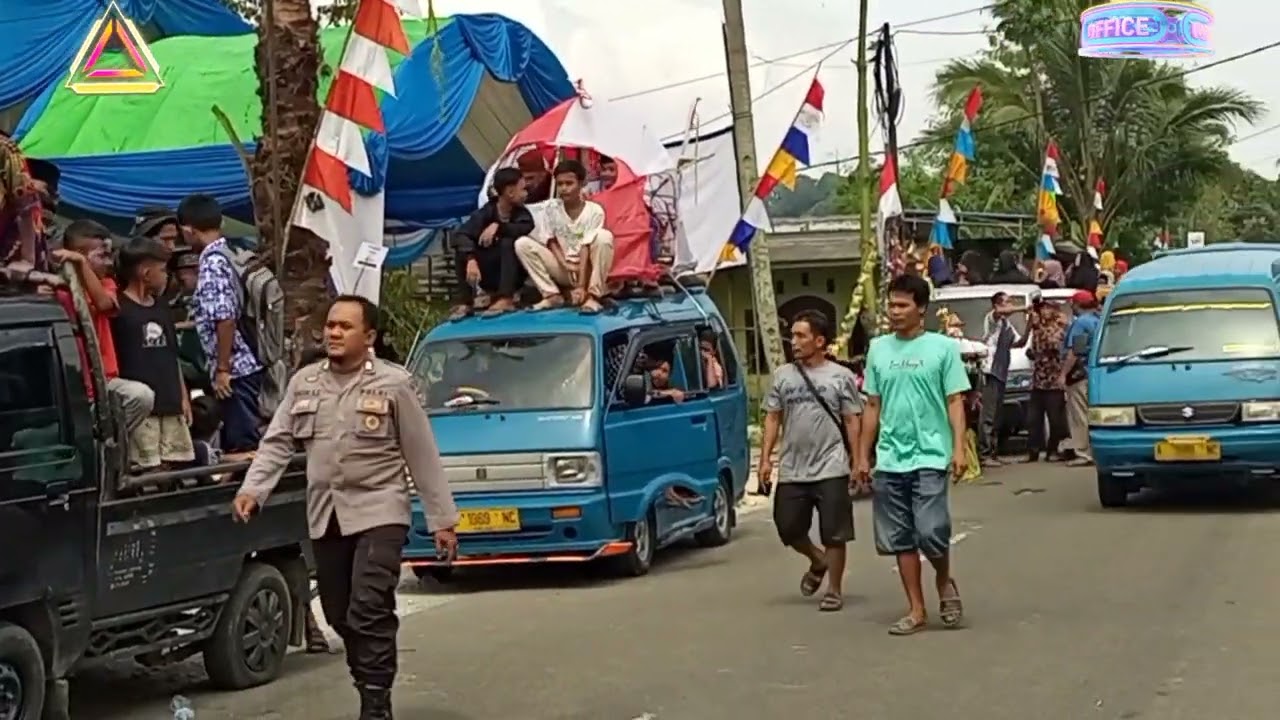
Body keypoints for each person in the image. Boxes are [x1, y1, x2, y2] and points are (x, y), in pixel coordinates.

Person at [231, 295, 459, 720]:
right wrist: (253, 490)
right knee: (339, 613)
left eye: (345, 327)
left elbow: (422, 454)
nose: (334, 333)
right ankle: (368, 676)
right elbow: (277, 442)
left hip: (381, 510)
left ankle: (375, 704)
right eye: (331, 325)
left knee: (369, 605)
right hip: (327, 514)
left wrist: (442, 521)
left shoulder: (394, 384)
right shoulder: (305, 382)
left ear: (369, 336)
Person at [856, 274, 968, 635]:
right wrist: (862, 456)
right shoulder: (878, 349)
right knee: (900, 537)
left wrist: (958, 448)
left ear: (921, 309)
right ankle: (916, 609)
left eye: (903, 305)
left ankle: (944, 578)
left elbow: (955, 400)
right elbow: (872, 405)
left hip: (931, 455)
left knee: (931, 530)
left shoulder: (943, 349)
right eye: (891, 305)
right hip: (890, 458)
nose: (895, 311)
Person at [758, 310, 861, 613]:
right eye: (793, 335)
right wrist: (765, 460)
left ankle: (834, 589)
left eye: (801, 336)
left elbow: (852, 419)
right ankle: (817, 560)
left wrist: (858, 461)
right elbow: (773, 417)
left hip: (832, 464)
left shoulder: (840, 376)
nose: (794, 341)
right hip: (793, 467)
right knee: (787, 526)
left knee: (834, 532)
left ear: (819, 341)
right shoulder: (783, 375)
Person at [54, 219, 156, 435]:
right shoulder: (57, 290)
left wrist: (81, 264)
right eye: (101, 256)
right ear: (76, 253)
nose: (109, 263)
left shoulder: (106, 285)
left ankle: (105, 440)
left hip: (105, 382)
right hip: (71, 386)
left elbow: (103, 304)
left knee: (141, 396)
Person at [180, 193, 264, 453]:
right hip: (249, 360)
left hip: (236, 369)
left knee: (244, 443)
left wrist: (223, 369)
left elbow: (225, 319)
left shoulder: (212, 264)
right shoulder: (233, 252)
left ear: (188, 230)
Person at [111, 236, 195, 472]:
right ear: (146, 274)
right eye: (163, 270)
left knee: (172, 464)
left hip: (170, 401)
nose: (167, 276)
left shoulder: (162, 307)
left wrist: (183, 397)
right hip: (144, 408)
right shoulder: (119, 310)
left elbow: (172, 355)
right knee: (144, 466)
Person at [515, 159, 616, 314]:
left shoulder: (594, 210)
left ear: (581, 184)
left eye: (569, 183)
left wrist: (581, 286)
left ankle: (593, 297)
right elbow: (550, 241)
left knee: (604, 237)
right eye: (560, 184)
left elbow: (585, 246)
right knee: (522, 243)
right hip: (564, 268)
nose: (564, 189)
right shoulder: (551, 207)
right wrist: (565, 264)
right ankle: (551, 295)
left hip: (587, 269)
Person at [451, 168, 535, 320]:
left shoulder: (522, 214)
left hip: (513, 275)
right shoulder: (484, 213)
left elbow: (524, 227)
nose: (525, 193)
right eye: (522, 189)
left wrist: (499, 227)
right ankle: (465, 302)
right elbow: (461, 235)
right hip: (487, 273)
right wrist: (471, 259)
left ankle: (505, 298)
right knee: (462, 251)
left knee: (508, 242)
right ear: (510, 192)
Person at [979, 292, 1027, 465]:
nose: (1010, 306)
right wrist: (1024, 308)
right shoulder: (992, 319)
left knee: (997, 415)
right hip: (990, 370)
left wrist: (1030, 324)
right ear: (997, 305)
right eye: (1007, 302)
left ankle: (993, 451)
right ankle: (985, 453)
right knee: (989, 414)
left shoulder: (1007, 325)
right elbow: (1000, 312)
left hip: (1001, 371)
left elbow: (1019, 343)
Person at [1023, 291, 1071, 463]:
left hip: (1053, 380)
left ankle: (1053, 450)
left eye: (1047, 309)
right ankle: (1033, 451)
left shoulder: (1058, 329)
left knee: (1056, 419)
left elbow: (1054, 346)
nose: (1042, 312)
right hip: (1039, 380)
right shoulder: (1036, 329)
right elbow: (1030, 347)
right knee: (1033, 419)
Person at [1059, 289, 1100, 467]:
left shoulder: (1081, 323)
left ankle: (1083, 453)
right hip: (1093, 372)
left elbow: (1074, 351)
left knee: (1079, 415)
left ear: (1077, 305)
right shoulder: (1098, 319)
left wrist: (1063, 374)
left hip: (1079, 374)